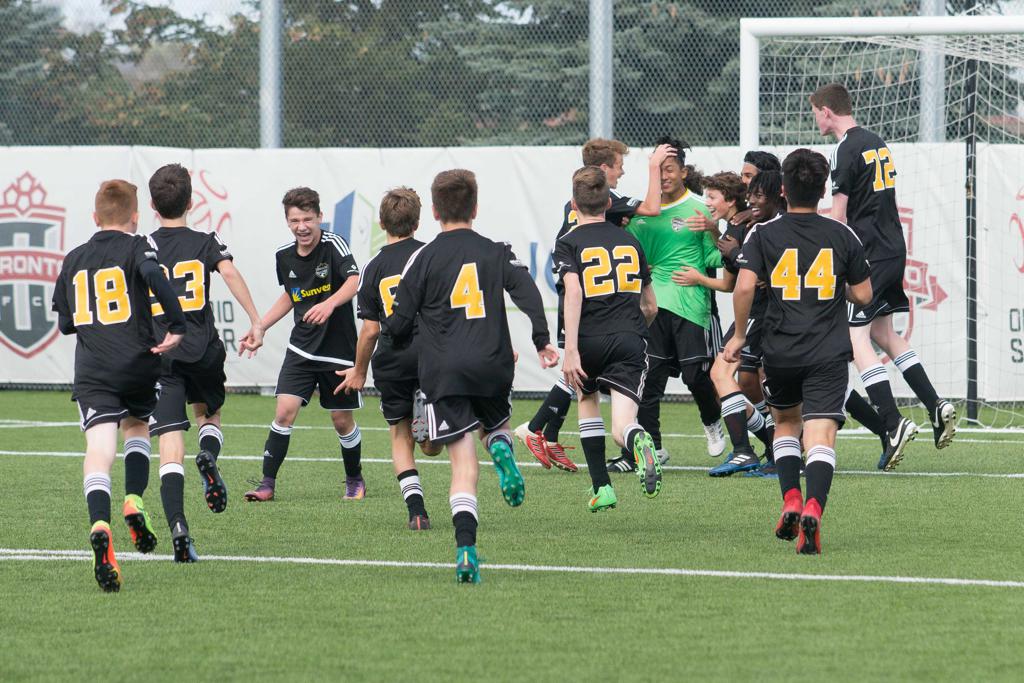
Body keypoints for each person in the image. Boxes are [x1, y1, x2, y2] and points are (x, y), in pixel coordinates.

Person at [382, 169, 559, 584]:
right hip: (492, 362)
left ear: (435, 212)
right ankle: (501, 445)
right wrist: (541, 339)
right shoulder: (496, 251)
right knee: (495, 424)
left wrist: (397, 337)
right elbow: (528, 291)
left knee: (463, 469)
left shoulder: (421, 258)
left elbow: (399, 320)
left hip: (443, 372)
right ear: (475, 208)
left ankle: (466, 549)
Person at [725, 148, 873, 555]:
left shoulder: (763, 233)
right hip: (827, 351)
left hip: (780, 349)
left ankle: (791, 495)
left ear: (785, 189)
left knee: (786, 423)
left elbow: (741, 286)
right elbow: (863, 294)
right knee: (821, 432)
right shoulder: (843, 235)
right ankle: (814, 507)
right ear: (823, 188)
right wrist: (834, 284)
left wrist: (738, 336)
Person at [812, 82, 956, 469]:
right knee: (883, 334)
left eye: (815, 112)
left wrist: (806, 225)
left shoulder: (844, 148)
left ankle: (892, 423)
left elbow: (840, 218)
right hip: (893, 248)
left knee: (856, 338)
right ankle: (936, 404)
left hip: (869, 256)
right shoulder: (876, 141)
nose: (815, 120)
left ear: (826, 111)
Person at [51, 179, 186, 591]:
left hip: (93, 371)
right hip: (137, 363)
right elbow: (153, 275)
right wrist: (177, 323)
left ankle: (99, 522)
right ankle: (134, 499)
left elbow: (65, 323)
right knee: (138, 428)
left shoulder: (73, 258)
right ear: (134, 217)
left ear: (94, 218)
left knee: (99, 451)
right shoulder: (138, 245)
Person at [515, 138, 673, 472]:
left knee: (580, 372)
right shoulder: (608, 200)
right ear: (603, 170)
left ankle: (545, 432)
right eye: (618, 165)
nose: (622, 170)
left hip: (581, 293)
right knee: (580, 373)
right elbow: (653, 208)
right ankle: (535, 429)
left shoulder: (575, 202)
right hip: (591, 299)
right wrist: (653, 166)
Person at [145, 164, 264, 561]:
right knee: (208, 416)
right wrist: (255, 320)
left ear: (152, 205)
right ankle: (209, 455)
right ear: (191, 202)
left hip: (161, 353)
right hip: (202, 349)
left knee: (169, 443)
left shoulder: (142, 246)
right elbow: (229, 273)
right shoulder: (205, 240)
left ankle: (179, 525)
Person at [607, 136, 725, 473]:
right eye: (659, 171)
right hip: (654, 303)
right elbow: (632, 256)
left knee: (696, 375)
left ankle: (711, 419)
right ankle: (654, 447)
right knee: (651, 377)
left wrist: (714, 230)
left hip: (691, 302)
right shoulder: (642, 213)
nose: (663, 177)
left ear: (684, 172)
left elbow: (716, 256)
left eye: (669, 170)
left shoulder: (700, 209)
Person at [244, 187, 365, 502]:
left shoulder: (334, 244)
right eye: (295, 220)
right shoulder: (284, 256)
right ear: (287, 221)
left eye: (308, 219)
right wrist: (261, 326)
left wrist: (330, 304)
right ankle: (267, 484)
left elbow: (354, 280)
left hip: (338, 350)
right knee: (284, 411)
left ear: (320, 218)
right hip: (301, 348)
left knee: (342, 421)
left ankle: (354, 479)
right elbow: (290, 294)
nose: (302, 226)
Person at [556, 166, 660, 509]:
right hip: (629, 338)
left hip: (587, 340)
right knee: (622, 426)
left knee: (587, 403)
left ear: (574, 204)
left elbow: (573, 292)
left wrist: (570, 348)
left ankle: (603, 487)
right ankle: (639, 440)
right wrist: (632, 325)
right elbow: (650, 305)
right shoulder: (631, 241)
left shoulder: (568, 243)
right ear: (608, 202)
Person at [335, 187, 439, 530]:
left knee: (400, 435)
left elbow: (369, 331)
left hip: (393, 360)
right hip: (431, 354)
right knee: (432, 447)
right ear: (418, 220)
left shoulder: (374, 266)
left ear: (381, 223)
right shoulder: (432, 256)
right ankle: (432, 421)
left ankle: (416, 511)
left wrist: (359, 372)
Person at [674, 171, 779, 476]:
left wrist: (697, 278)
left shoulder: (745, 226)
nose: (706, 202)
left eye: (712, 197)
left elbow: (732, 284)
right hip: (755, 312)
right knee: (731, 381)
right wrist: (714, 231)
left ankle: (746, 450)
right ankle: (773, 445)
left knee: (722, 375)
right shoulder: (735, 225)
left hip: (760, 313)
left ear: (731, 200)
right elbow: (732, 280)